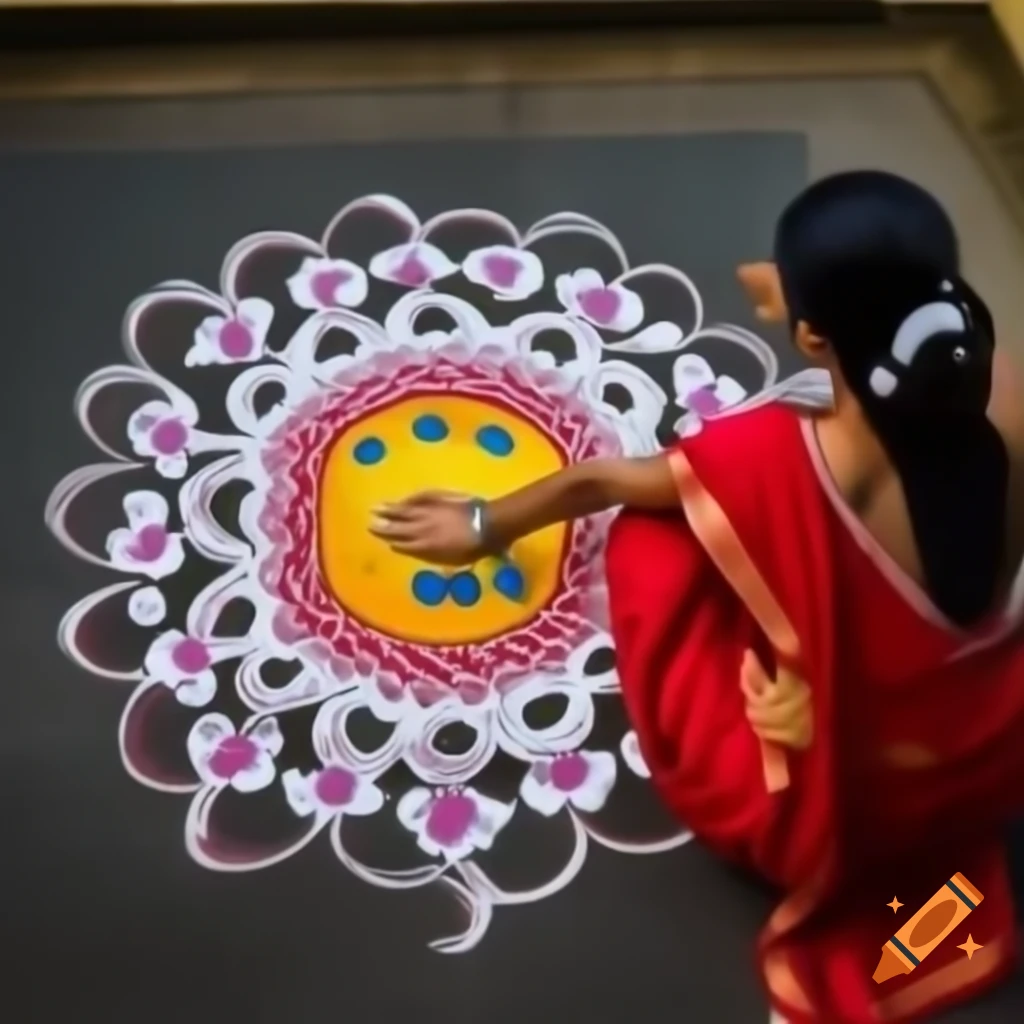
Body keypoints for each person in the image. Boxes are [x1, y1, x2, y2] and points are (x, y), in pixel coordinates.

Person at [370, 171, 1024, 1023]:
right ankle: (937, 911)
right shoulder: (1008, 391)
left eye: (780, 287)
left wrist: (485, 521)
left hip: (836, 802)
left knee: (659, 537)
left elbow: (602, 481)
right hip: (977, 770)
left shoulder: (777, 456)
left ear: (814, 335)